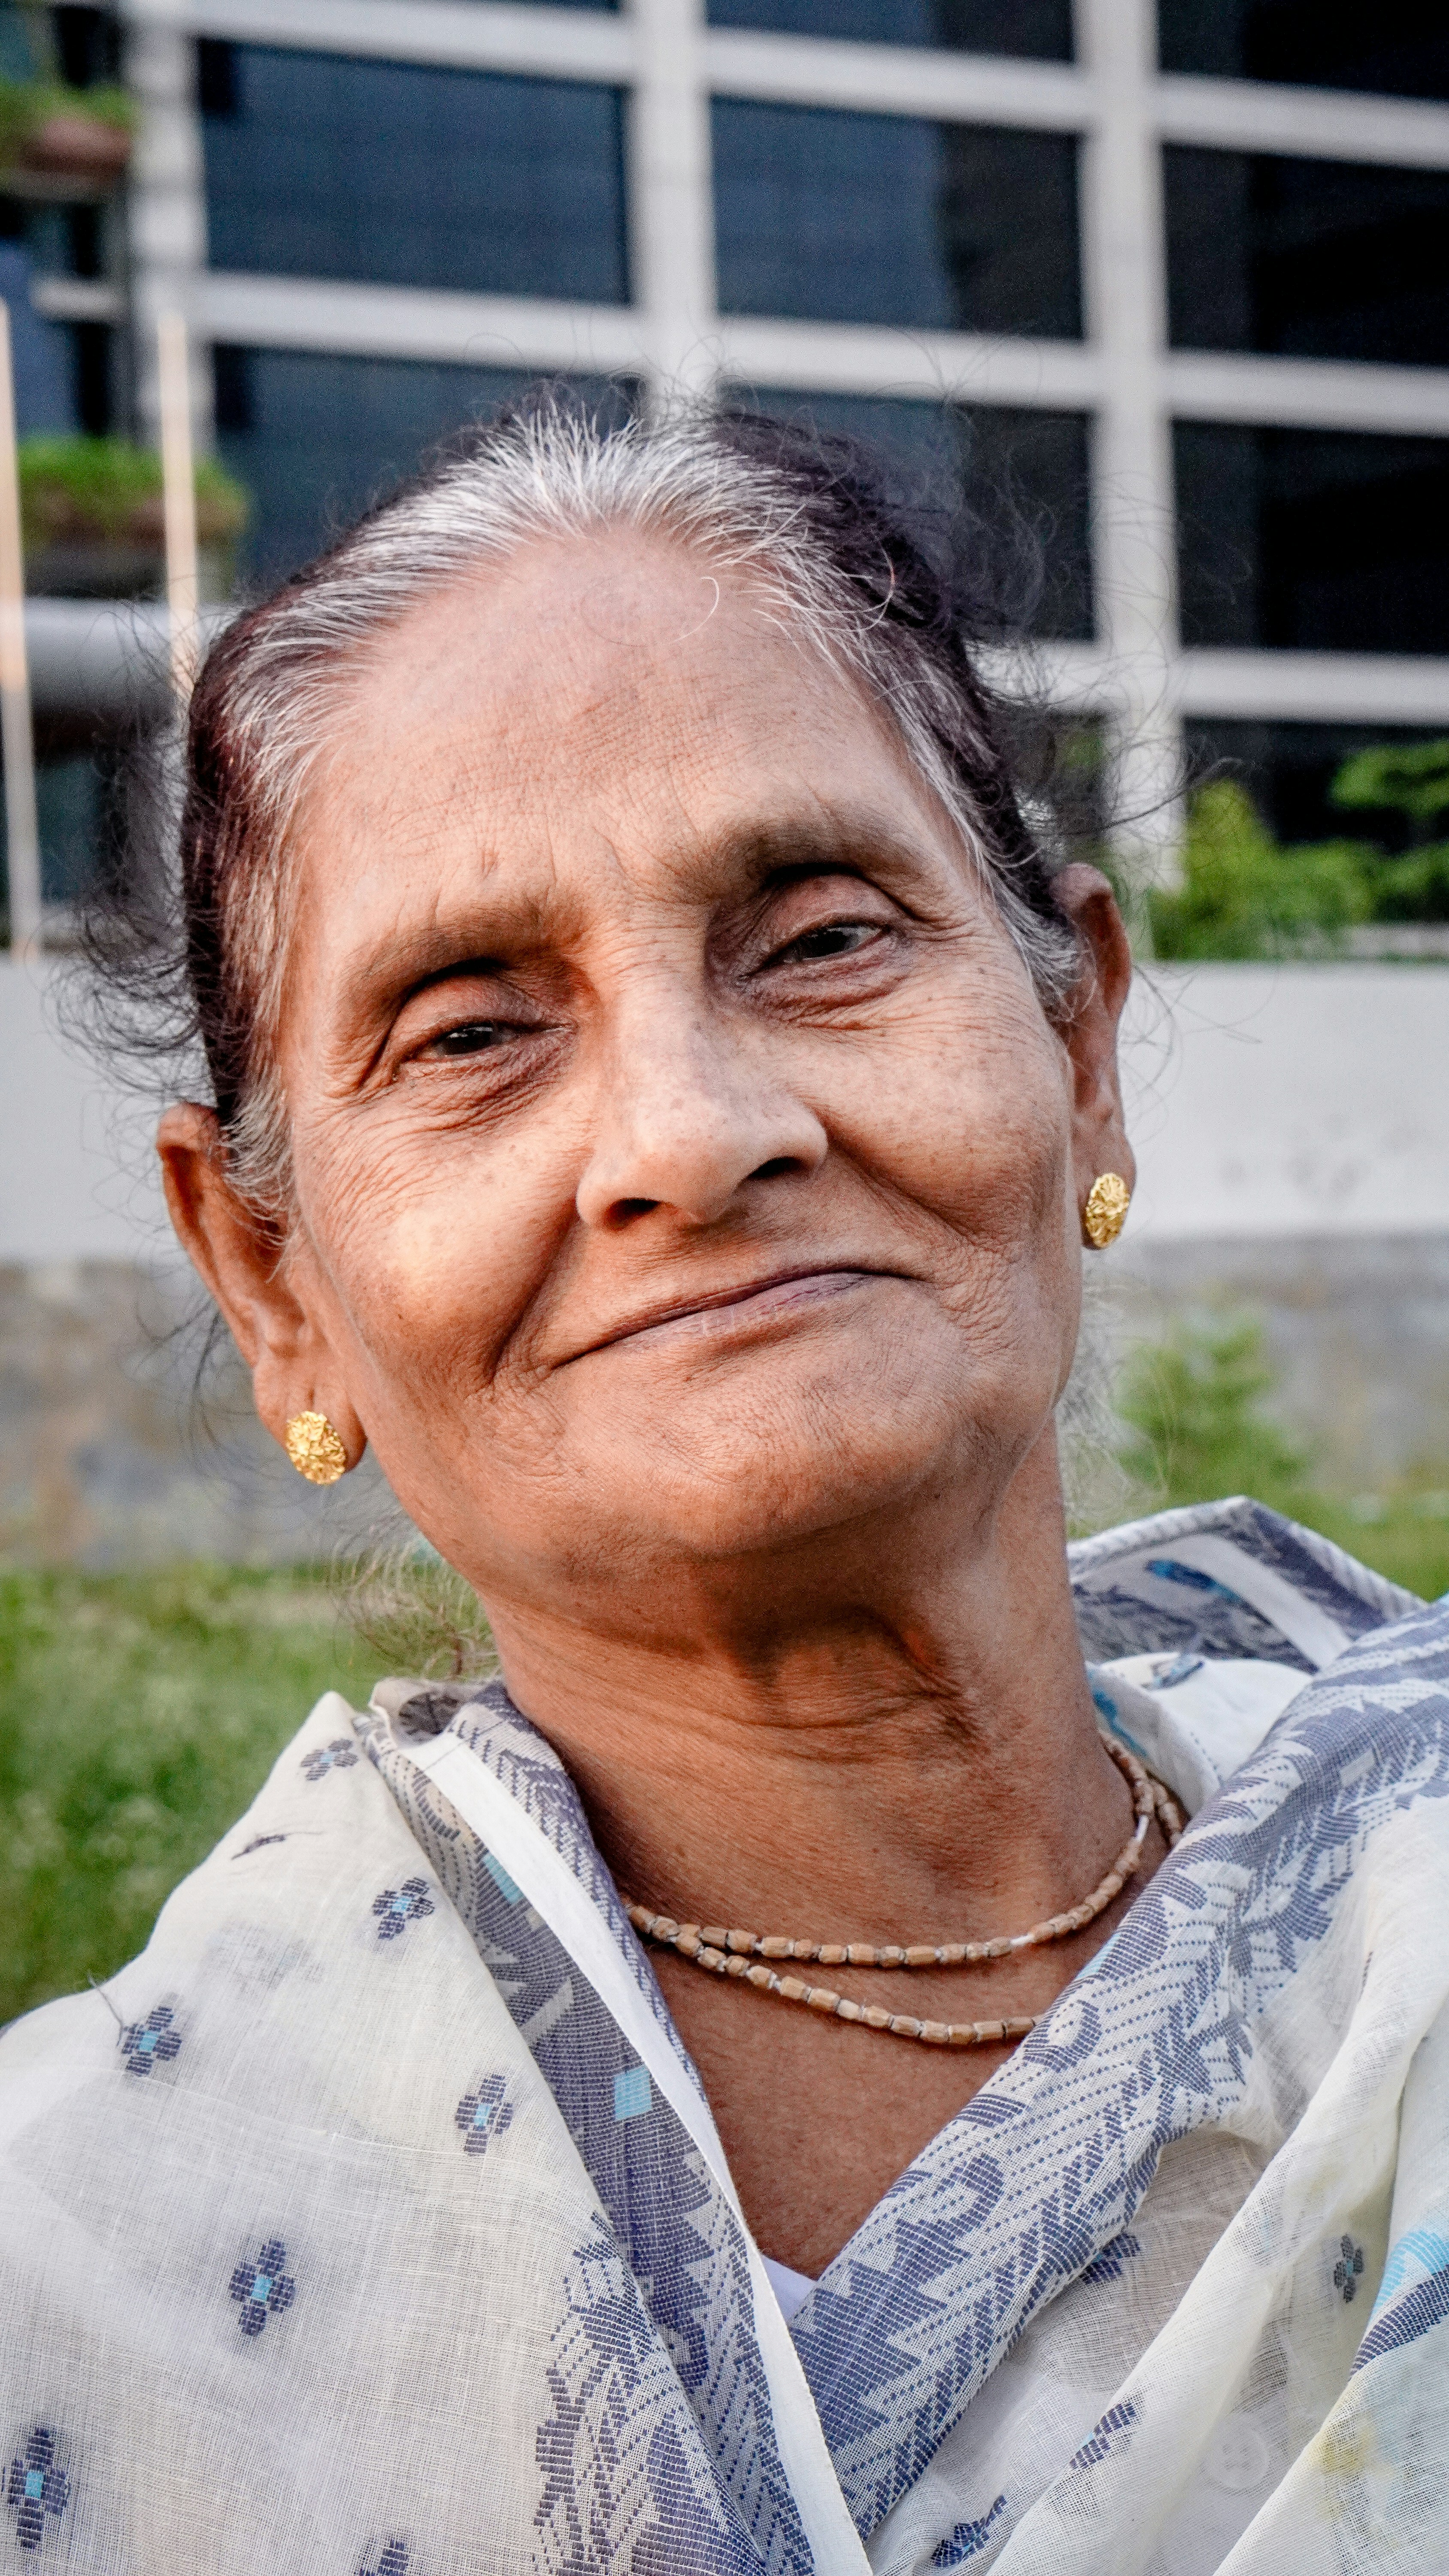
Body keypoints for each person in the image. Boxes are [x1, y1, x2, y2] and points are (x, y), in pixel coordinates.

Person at [2, 403, 1445, 2576]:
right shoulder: (86, 2251)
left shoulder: (1409, 1905)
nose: (688, 1133)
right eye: (472, 1031)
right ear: (269, 1276)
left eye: (822, 935)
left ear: (1078, 1052)